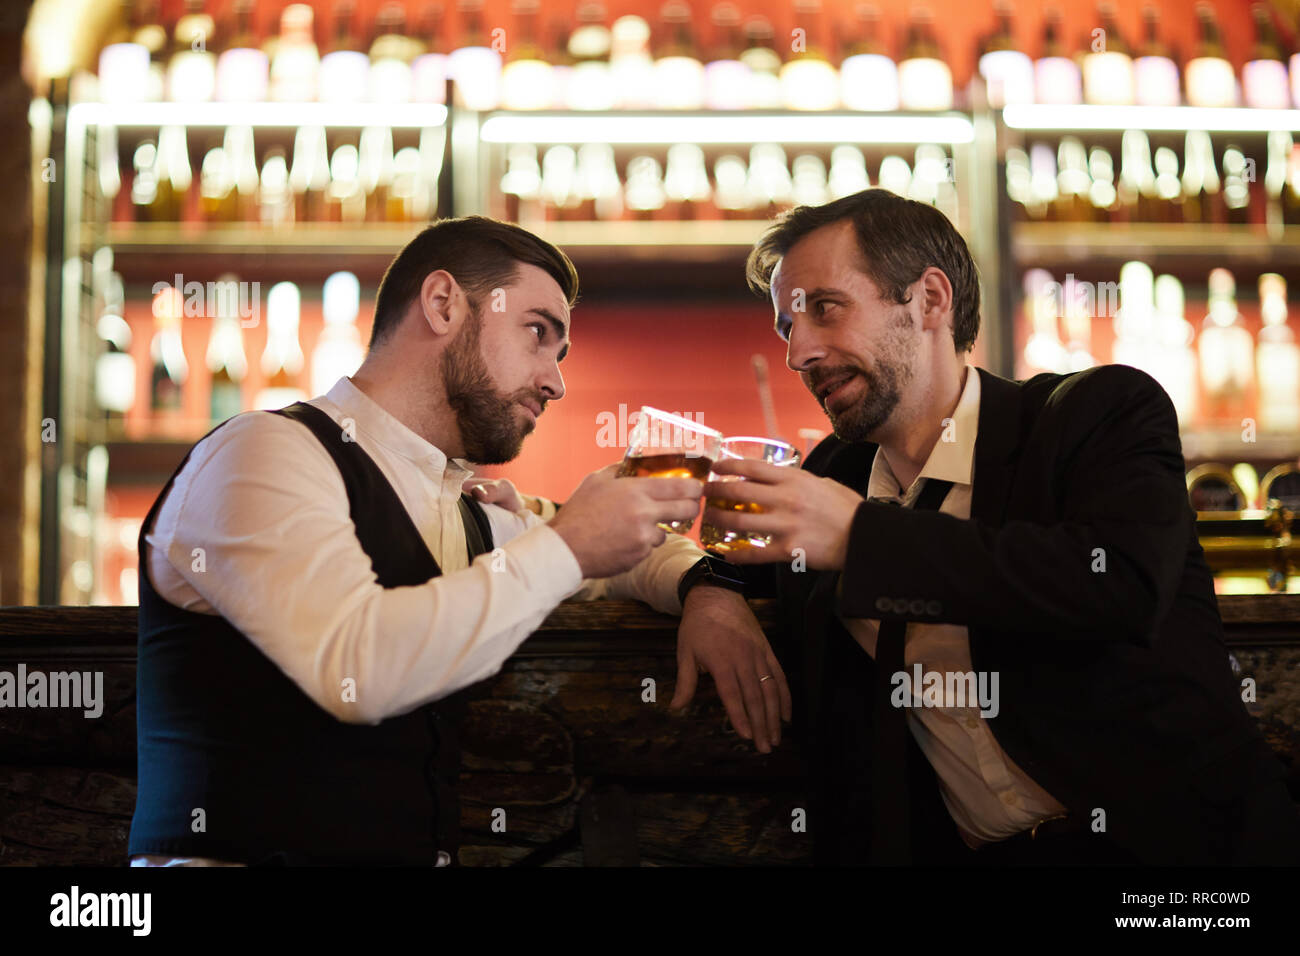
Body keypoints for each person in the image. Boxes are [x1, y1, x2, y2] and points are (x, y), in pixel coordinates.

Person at [128, 216, 789, 867]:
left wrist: (710, 590)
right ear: (443, 304)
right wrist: (568, 545)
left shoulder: (463, 503)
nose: (556, 381)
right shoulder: (259, 452)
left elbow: (632, 557)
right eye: (537, 334)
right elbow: (355, 667)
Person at [691, 188, 1300, 866]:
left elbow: (1117, 583)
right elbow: (741, 553)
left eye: (824, 310)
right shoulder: (835, 472)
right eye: (786, 329)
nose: (798, 352)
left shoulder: (1096, 414)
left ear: (929, 300)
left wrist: (861, 538)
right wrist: (711, 590)